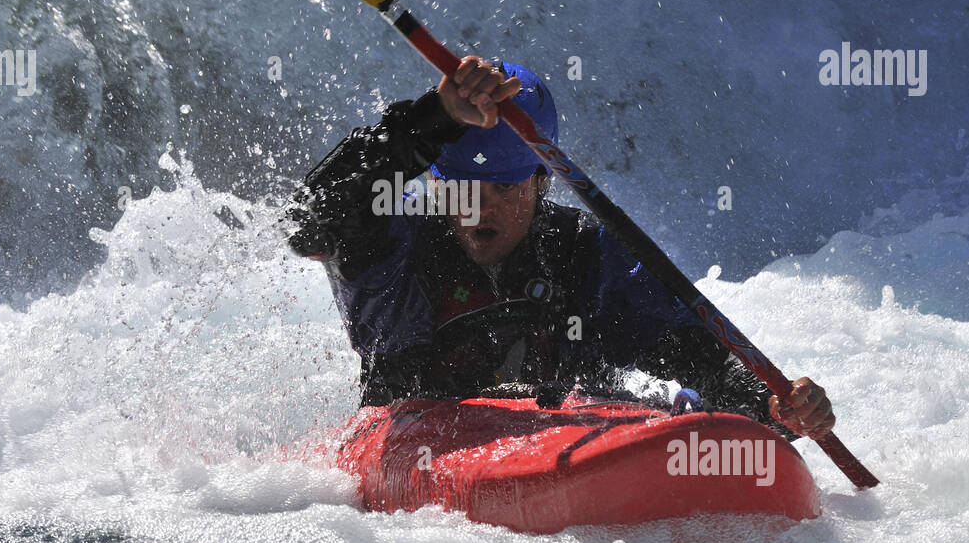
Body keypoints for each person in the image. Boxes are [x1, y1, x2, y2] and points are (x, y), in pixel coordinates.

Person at [284, 56, 835, 441]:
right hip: (420, 444)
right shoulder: (392, 242)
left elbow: (698, 354)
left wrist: (770, 405)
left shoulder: (583, 252)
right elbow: (305, 223)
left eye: (503, 189)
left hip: (563, 440)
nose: (481, 209)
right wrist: (434, 116)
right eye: (463, 190)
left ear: (540, 183)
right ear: (434, 183)